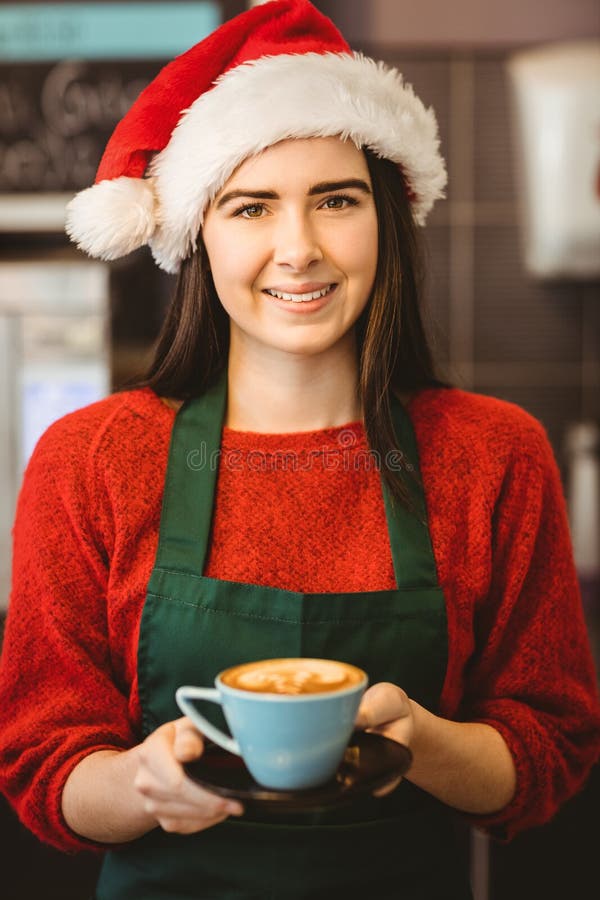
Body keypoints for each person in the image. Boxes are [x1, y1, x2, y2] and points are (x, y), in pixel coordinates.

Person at [1, 1, 599, 898]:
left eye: (336, 200)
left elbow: (545, 754)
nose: (299, 249)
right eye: (251, 206)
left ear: (387, 219)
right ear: (199, 230)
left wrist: (424, 744)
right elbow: (45, 765)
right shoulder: (90, 461)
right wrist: (141, 784)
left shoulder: (493, 455)